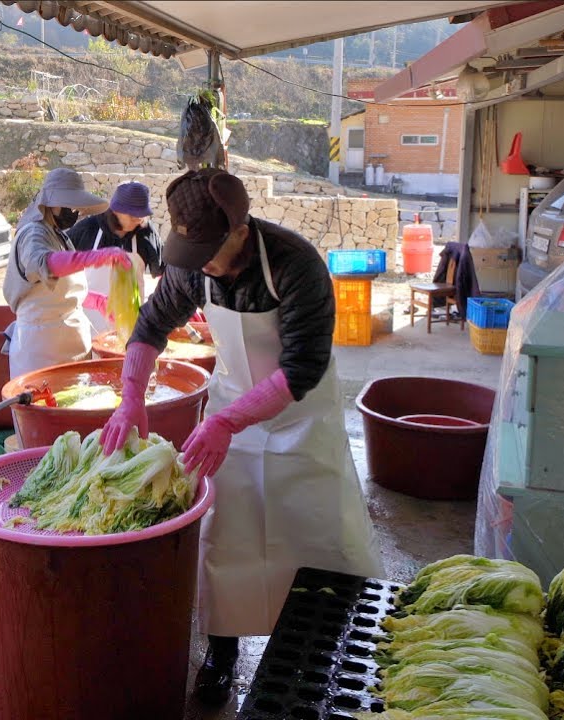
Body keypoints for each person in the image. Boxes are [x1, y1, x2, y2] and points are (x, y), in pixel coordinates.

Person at [100, 168, 384, 705]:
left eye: (209, 247)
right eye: (190, 247)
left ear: (239, 228)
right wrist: (131, 395)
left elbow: (300, 369)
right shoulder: (194, 269)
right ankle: (223, 652)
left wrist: (226, 423)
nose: (199, 259)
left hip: (303, 418)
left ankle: (322, 647)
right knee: (226, 533)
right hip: (230, 407)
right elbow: (150, 327)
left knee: (315, 531)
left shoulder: (295, 264)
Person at [2, 167, 129, 379]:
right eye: (68, 206)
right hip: (41, 349)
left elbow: (59, 294)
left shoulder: (59, 236)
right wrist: (96, 257)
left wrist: (98, 302)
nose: (73, 212)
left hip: (72, 344)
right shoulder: (33, 233)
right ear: (50, 204)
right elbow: (44, 263)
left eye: (76, 208)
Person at [66, 181, 164, 334]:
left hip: (130, 321)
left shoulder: (146, 233)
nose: (138, 220)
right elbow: (59, 265)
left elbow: (163, 273)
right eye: (132, 215)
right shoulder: (89, 228)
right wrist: (92, 299)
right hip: (88, 321)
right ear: (116, 210)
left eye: (141, 215)